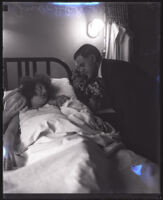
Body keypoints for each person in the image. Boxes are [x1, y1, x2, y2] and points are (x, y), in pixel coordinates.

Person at [73, 44, 159, 163]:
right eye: (79, 68)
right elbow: (117, 105)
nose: (81, 70)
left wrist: (123, 141)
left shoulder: (115, 72)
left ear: (92, 58)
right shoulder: (105, 70)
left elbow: (130, 110)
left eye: (82, 65)